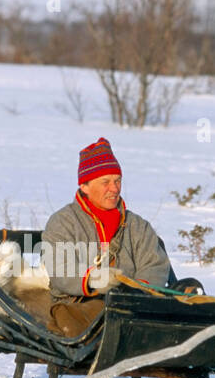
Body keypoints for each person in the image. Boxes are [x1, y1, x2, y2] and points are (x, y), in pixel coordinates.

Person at [43, 137, 173, 337]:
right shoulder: (62, 222)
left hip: (134, 307)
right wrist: (93, 280)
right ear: (84, 186)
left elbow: (154, 265)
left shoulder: (138, 225)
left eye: (117, 180)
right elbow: (60, 271)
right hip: (79, 306)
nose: (115, 188)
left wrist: (137, 293)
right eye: (105, 182)